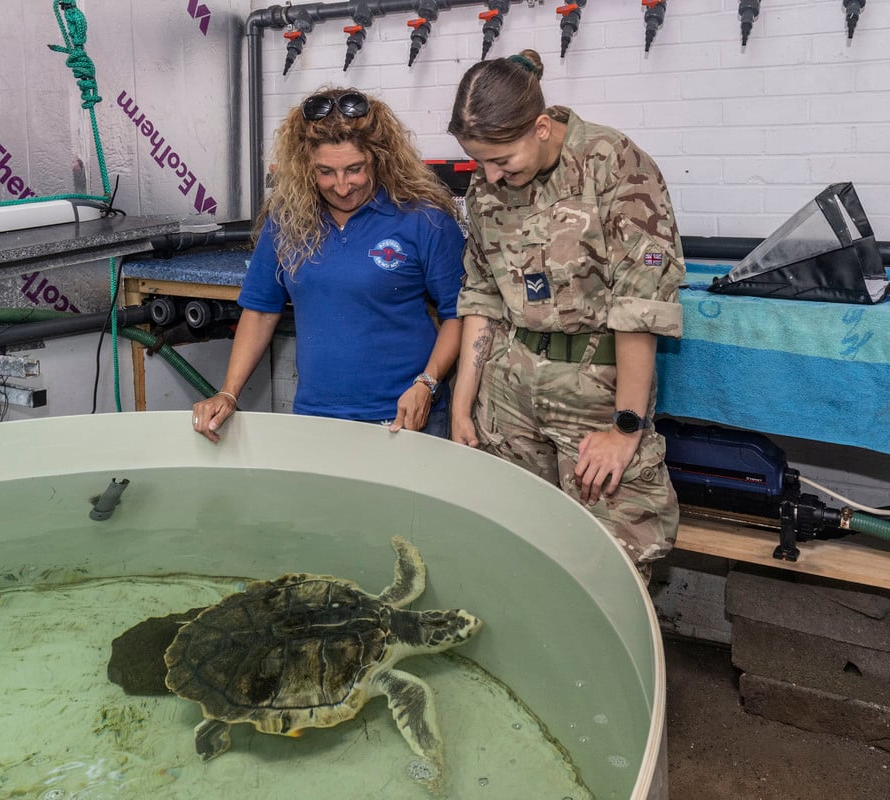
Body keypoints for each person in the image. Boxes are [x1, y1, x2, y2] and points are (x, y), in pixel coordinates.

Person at [446, 50, 684, 571]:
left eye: (502, 160)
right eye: (479, 162)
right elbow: (482, 293)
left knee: (609, 562)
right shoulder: (487, 184)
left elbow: (640, 306)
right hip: (508, 391)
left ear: (540, 127)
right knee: (513, 548)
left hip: (594, 393)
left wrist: (625, 429)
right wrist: (462, 406)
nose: (490, 175)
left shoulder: (612, 162)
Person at [192, 87, 465, 442]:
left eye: (354, 169)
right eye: (326, 172)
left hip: (403, 419)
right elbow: (259, 312)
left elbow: (458, 315)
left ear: (379, 158)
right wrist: (228, 392)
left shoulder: (424, 220)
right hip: (316, 420)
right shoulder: (288, 221)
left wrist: (427, 383)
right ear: (306, 166)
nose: (341, 186)